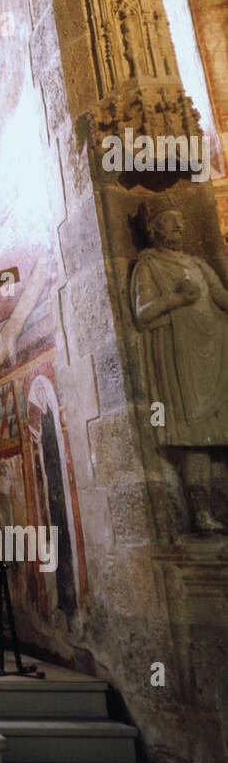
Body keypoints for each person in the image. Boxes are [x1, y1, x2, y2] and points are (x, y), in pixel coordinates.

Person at [131, 203, 228, 532]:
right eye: (171, 222)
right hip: (179, 360)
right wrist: (176, 299)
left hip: (214, 352)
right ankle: (201, 515)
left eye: (182, 222)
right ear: (154, 229)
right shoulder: (149, 265)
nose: (180, 227)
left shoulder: (199, 264)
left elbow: (221, 298)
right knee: (194, 438)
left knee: (220, 433)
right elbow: (142, 313)